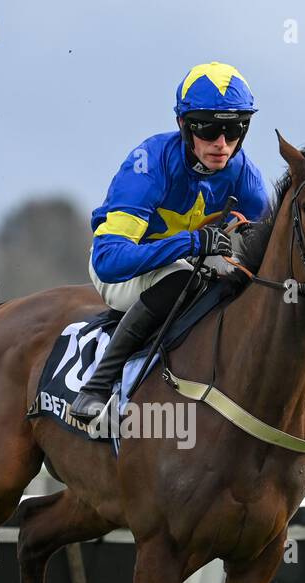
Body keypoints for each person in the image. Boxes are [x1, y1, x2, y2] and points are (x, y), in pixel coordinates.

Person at [68, 61, 271, 425]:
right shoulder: (149, 165)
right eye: (208, 128)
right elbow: (110, 261)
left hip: (194, 260)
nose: (221, 143)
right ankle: (96, 388)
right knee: (180, 277)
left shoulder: (246, 177)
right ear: (184, 125)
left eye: (234, 128)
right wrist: (190, 243)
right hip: (128, 268)